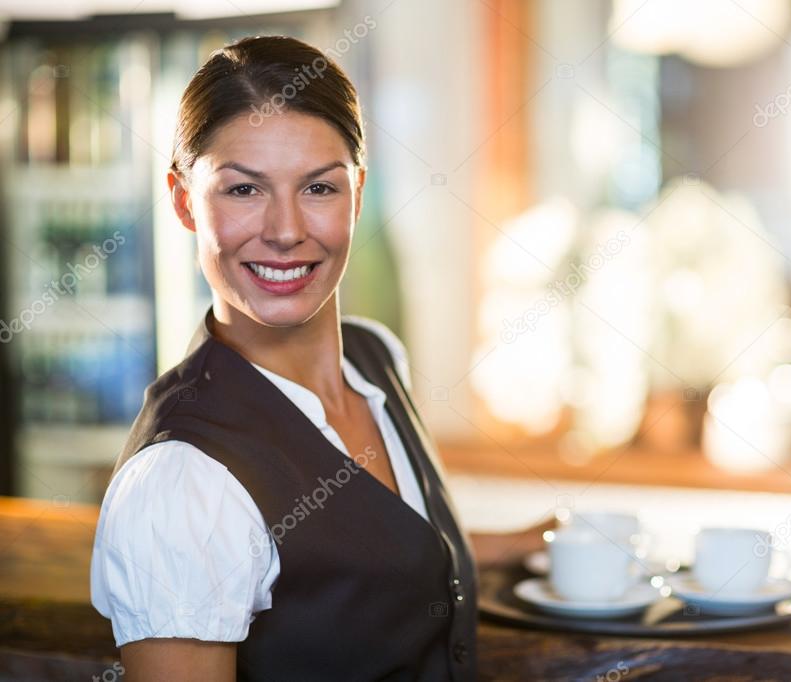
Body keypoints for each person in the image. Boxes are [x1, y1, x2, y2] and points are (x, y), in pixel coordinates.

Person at [89, 34, 552, 681]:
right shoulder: (179, 485)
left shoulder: (376, 358)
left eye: (319, 189)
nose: (284, 230)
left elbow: (363, 555)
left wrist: (508, 546)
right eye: (243, 190)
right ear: (182, 200)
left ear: (357, 194)